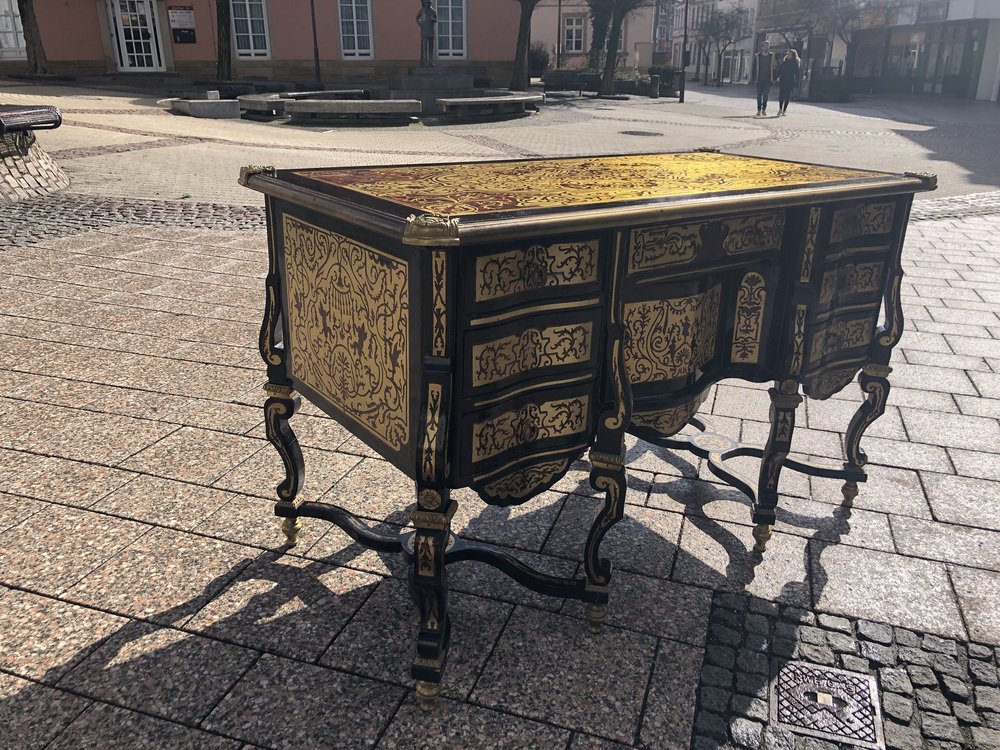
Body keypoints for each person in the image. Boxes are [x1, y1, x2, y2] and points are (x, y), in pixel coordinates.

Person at [750, 40, 777, 117]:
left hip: (768, 79)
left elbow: (774, 67)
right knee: (759, 95)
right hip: (759, 79)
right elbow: (754, 68)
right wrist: (754, 78)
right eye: (765, 46)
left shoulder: (772, 56)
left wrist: (774, 78)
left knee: (765, 95)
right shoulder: (758, 56)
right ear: (762, 47)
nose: (766, 47)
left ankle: (764, 109)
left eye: (768, 46)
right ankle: (758, 110)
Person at [777, 49, 800, 116]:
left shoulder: (795, 63)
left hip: (790, 81)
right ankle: (780, 109)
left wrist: (797, 82)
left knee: (787, 96)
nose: (788, 55)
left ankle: (784, 110)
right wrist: (775, 77)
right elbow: (780, 70)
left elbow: (797, 73)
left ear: (793, 55)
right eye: (788, 54)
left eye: (790, 54)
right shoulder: (784, 62)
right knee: (781, 96)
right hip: (783, 80)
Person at [416, 0, 437, 68]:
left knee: (431, 48)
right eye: (427, 3)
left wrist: (433, 19)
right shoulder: (422, 10)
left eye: (429, 3)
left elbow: (436, 19)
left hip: (431, 32)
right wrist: (420, 24)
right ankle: (424, 62)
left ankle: (431, 61)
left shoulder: (433, 11)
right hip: (424, 32)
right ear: (424, 3)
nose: (428, 4)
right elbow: (417, 18)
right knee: (424, 48)